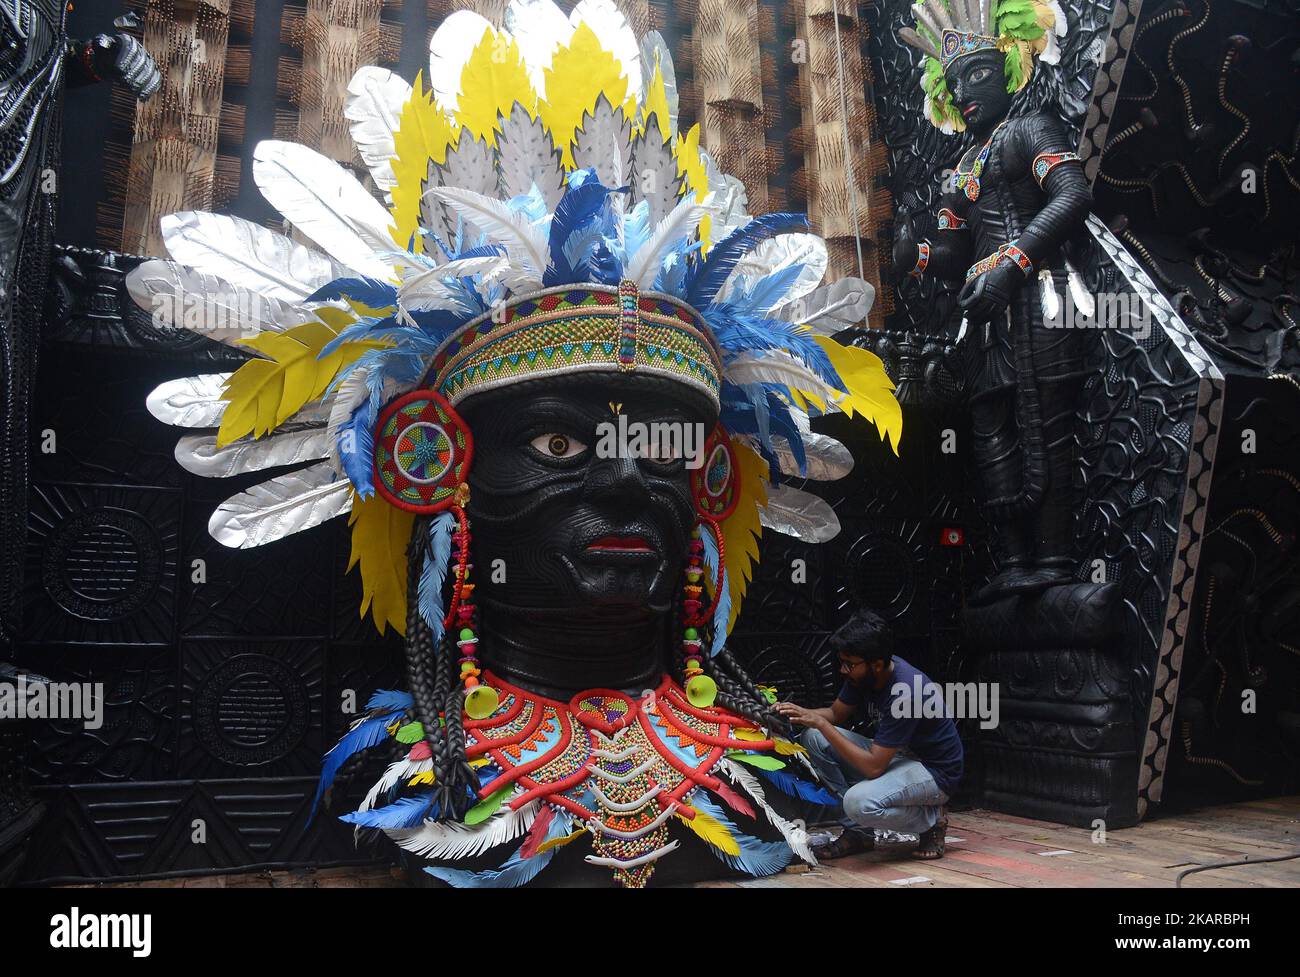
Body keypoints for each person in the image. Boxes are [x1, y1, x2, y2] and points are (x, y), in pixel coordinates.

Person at [776, 609, 963, 860]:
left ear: (876, 664)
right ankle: (858, 834)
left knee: (858, 803)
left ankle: (931, 819)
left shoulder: (906, 691)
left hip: (934, 772)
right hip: (896, 757)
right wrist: (798, 713)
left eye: (849, 664)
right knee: (813, 737)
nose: (843, 670)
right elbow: (835, 714)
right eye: (843, 662)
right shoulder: (863, 675)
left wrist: (822, 724)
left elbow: (873, 767)